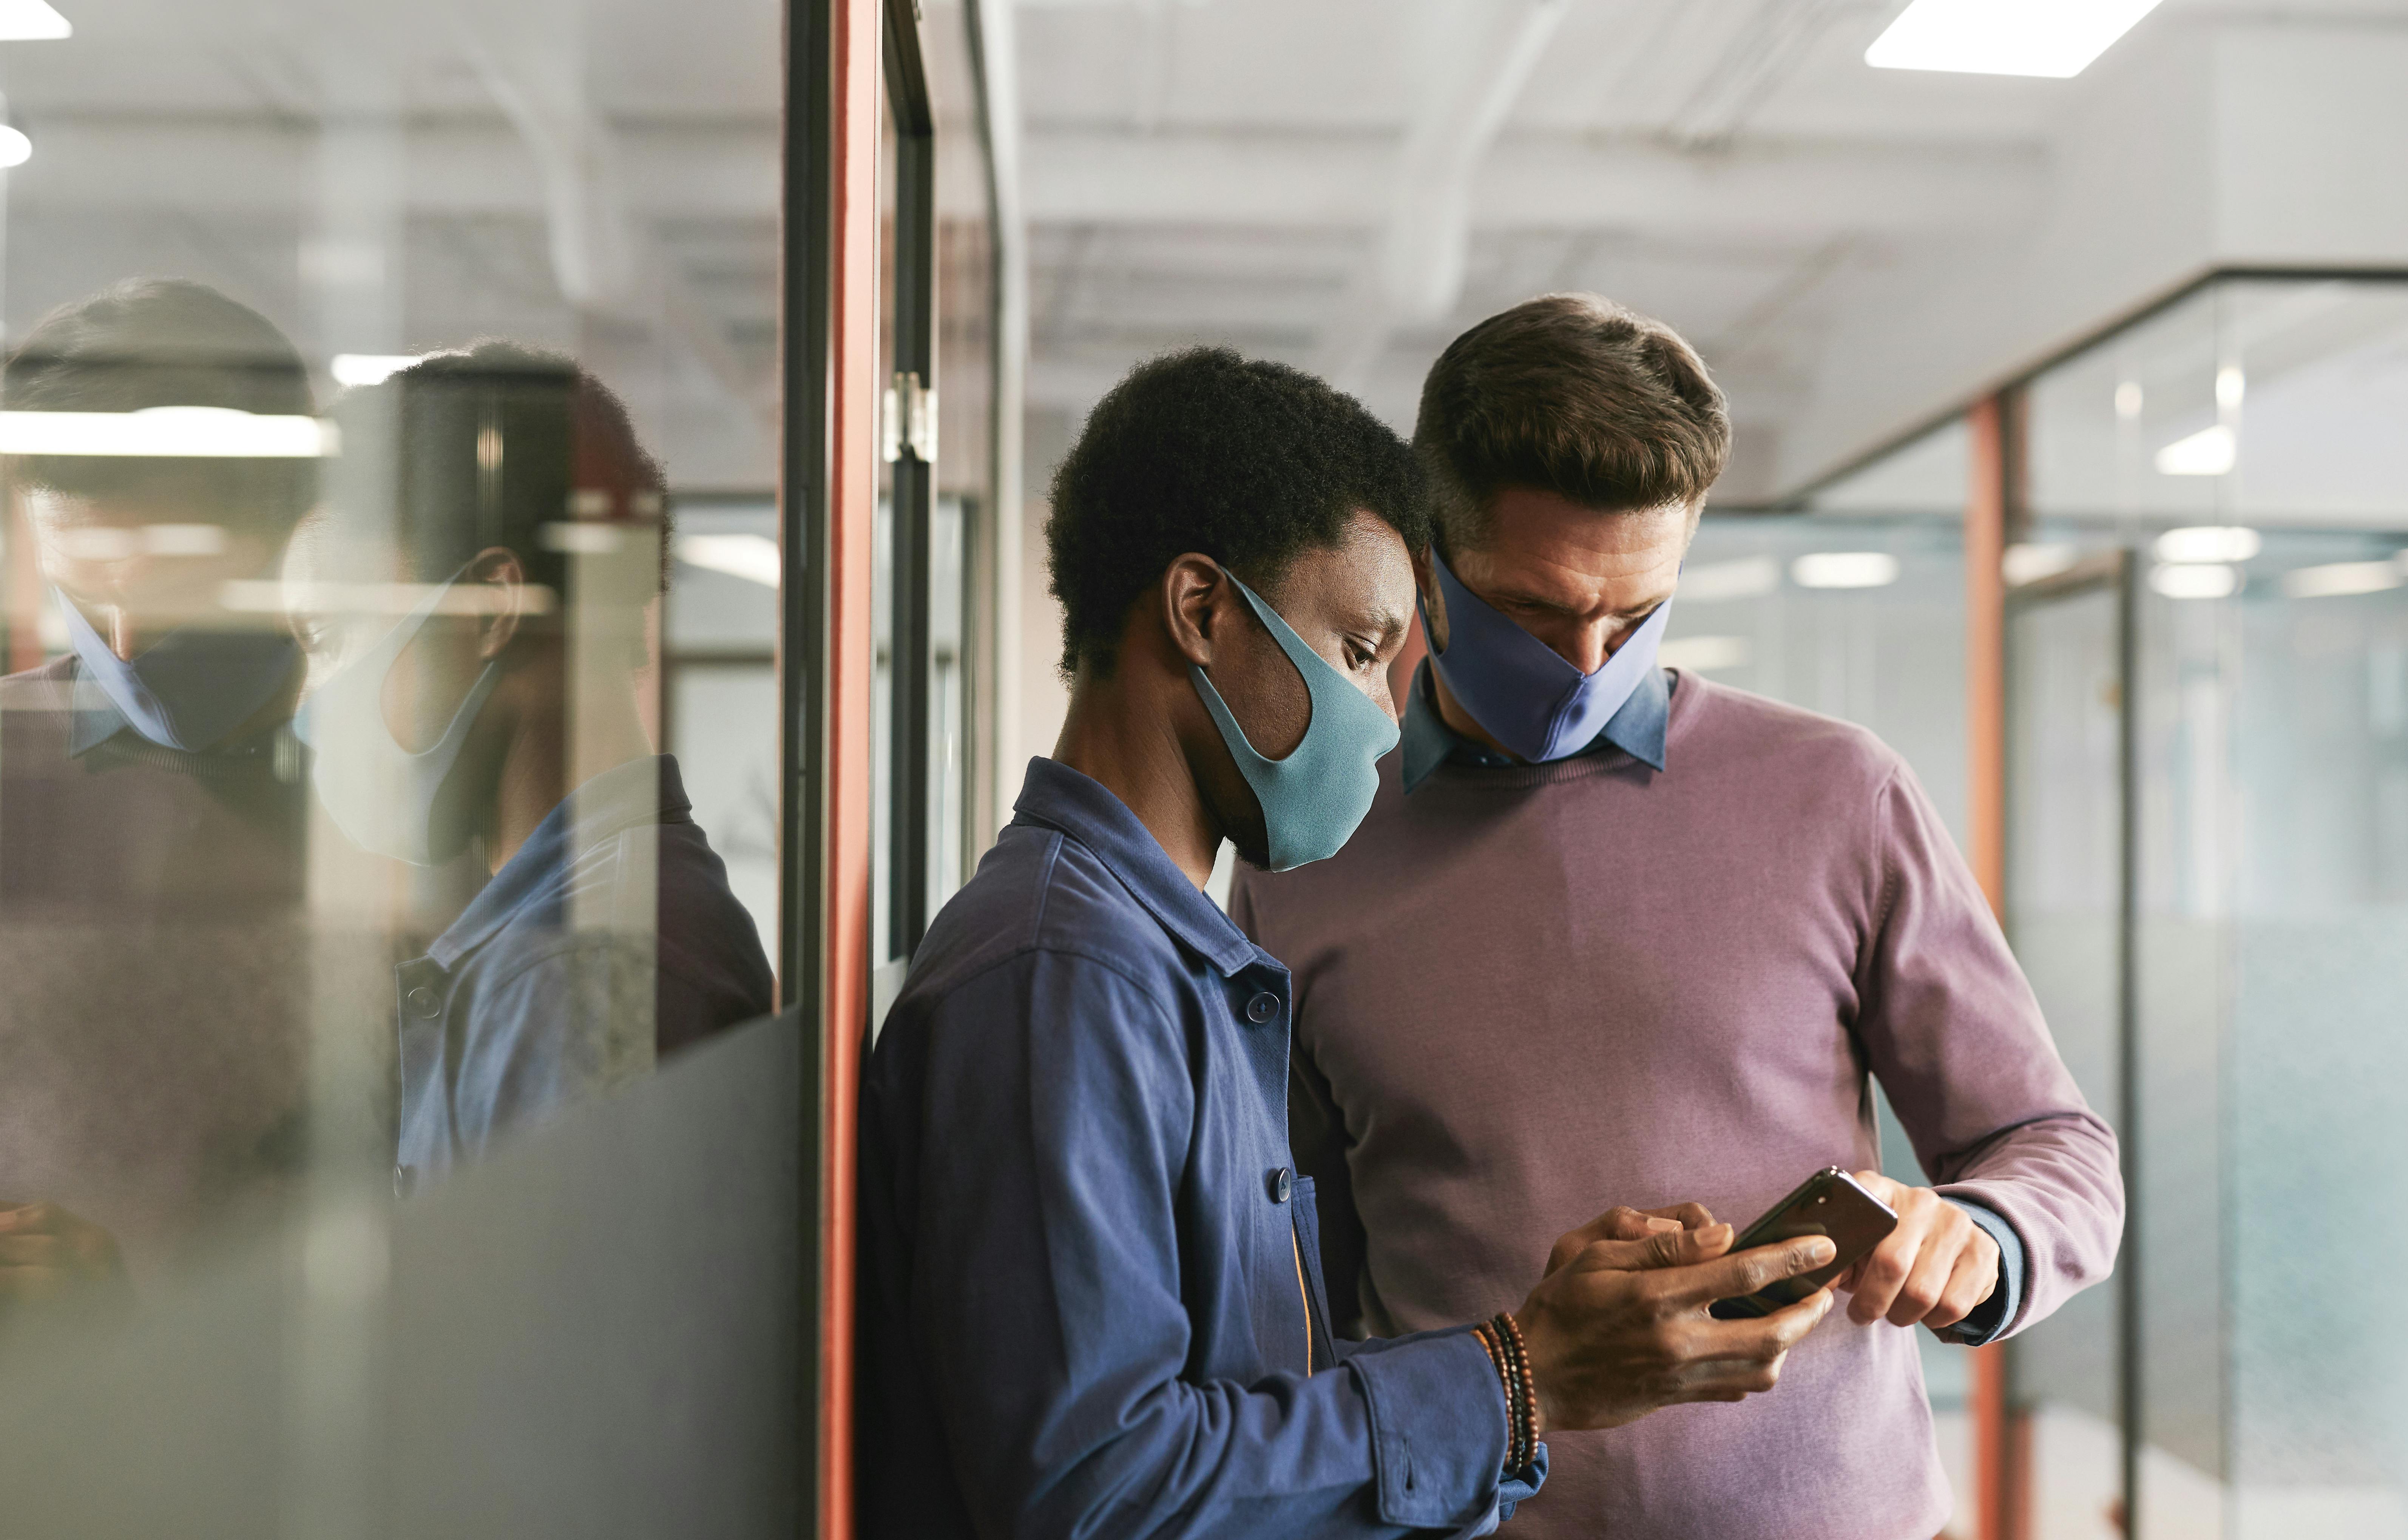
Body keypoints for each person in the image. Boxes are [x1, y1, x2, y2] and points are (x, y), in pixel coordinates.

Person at [858, 347, 1848, 1540]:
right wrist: (1520, 1373)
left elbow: (1232, 1408)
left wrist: (1546, 1339)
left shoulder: (1174, 957)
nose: (1385, 722)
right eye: (1364, 652)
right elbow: (1099, 1491)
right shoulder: (1065, 977)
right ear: (1203, 611)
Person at [1229, 295, 2126, 1540]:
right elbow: (1289, 1278)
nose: (1589, 664)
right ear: (1428, 556)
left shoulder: (1836, 793)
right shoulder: (1306, 846)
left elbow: (2052, 1143)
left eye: (1635, 613)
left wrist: (1980, 1234)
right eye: (1536, 615)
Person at [298, 343, 773, 1187]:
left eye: (336, 634)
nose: (311, 705)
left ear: (492, 609)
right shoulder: (575, 928)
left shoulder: (574, 976)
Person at [0, 279, 322, 1304]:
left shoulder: (416, 793)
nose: (127, 651)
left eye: (174, 590)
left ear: (294, 531)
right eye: (87, 598)